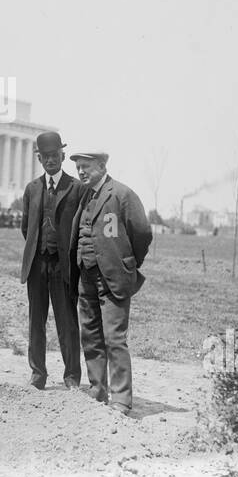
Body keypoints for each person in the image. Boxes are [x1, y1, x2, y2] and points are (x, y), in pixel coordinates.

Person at [70, 150, 153, 413]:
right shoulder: (85, 195)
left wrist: (127, 263)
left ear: (102, 165)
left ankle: (121, 399)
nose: (81, 171)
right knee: (91, 335)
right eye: (78, 167)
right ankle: (97, 388)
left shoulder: (121, 194)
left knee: (114, 338)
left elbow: (142, 233)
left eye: (86, 166)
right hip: (86, 276)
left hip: (113, 278)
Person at [20, 131, 85, 389]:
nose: (50, 161)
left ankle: (71, 376)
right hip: (37, 264)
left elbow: (81, 227)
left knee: (67, 321)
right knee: (36, 321)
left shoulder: (76, 188)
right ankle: (38, 374)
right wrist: (39, 248)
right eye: (45, 157)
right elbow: (26, 228)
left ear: (63, 156)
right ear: (39, 158)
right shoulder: (32, 189)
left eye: (55, 155)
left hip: (63, 266)